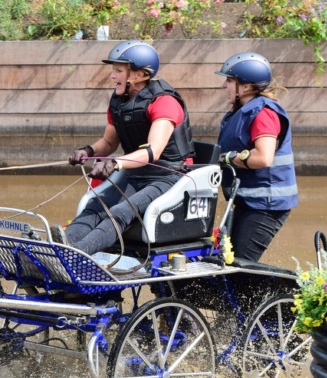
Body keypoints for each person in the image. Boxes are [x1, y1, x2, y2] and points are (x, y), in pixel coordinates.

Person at [62, 40, 194, 256]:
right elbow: (109, 143)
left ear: (140, 74)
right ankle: (60, 248)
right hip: (135, 172)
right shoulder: (119, 101)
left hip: (168, 176)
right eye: (113, 70)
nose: (112, 76)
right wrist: (88, 152)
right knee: (96, 205)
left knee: (121, 211)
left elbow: (154, 151)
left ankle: (74, 255)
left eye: (118, 70)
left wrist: (115, 163)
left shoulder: (164, 102)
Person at [215, 52, 297, 263]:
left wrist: (227, 158)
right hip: (249, 201)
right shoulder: (241, 110)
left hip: (266, 205)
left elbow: (263, 158)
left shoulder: (263, 113)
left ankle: (259, 296)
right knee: (226, 261)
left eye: (229, 80)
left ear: (246, 86)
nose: (224, 85)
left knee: (241, 266)